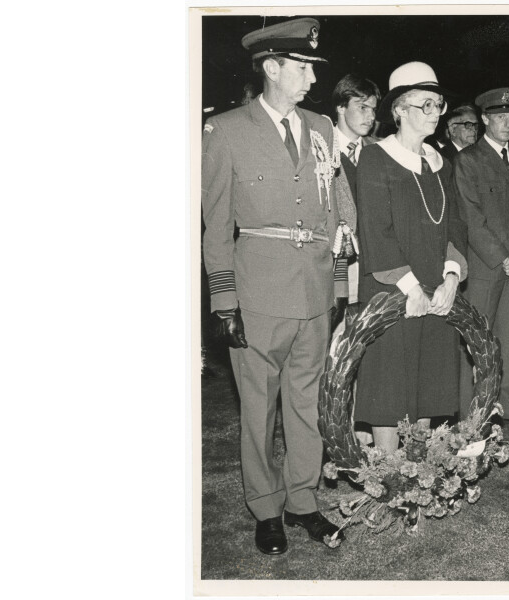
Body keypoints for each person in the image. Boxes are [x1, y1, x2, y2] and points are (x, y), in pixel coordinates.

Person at [201, 17, 342, 554]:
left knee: (308, 403)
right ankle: (265, 508)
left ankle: (303, 500)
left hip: (314, 291)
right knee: (258, 408)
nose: (312, 78)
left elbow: (332, 210)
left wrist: (336, 285)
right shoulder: (226, 131)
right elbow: (216, 224)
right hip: (257, 293)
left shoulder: (322, 127)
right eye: (302, 68)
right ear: (271, 68)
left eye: (312, 68)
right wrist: (224, 301)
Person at [354, 61, 469, 451]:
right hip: (392, 289)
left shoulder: (442, 164)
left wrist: (451, 278)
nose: (435, 113)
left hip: (436, 291)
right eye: (426, 105)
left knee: (427, 386)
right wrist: (410, 287)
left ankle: (418, 472)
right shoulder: (375, 158)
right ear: (400, 109)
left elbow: (455, 225)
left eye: (438, 105)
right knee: (390, 390)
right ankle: (388, 473)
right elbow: (376, 231)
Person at [453, 88, 509, 429]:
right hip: (484, 267)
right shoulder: (469, 160)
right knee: (476, 339)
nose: (507, 123)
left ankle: (505, 404)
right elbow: (471, 219)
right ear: (485, 119)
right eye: (500, 117)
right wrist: (506, 258)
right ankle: (471, 413)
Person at [330, 74, 381, 309]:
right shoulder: (318, 147)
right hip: (336, 267)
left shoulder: (380, 151)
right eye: (362, 107)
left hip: (375, 266)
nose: (371, 116)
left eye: (373, 109)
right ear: (341, 107)